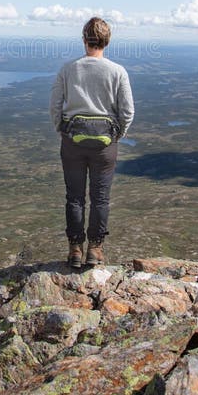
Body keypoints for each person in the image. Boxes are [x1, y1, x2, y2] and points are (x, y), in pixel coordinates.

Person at [49, 17, 135, 268]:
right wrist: (116, 136)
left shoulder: (68, 69)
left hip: (72, 142)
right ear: (107, 41)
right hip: (105, 145)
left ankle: (75, 248)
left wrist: (61, 130)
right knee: (100, 198)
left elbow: (55, 105)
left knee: (74, 197)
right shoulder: (117, 71)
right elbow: (127, 111)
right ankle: (95, 249)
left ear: (84, 39)